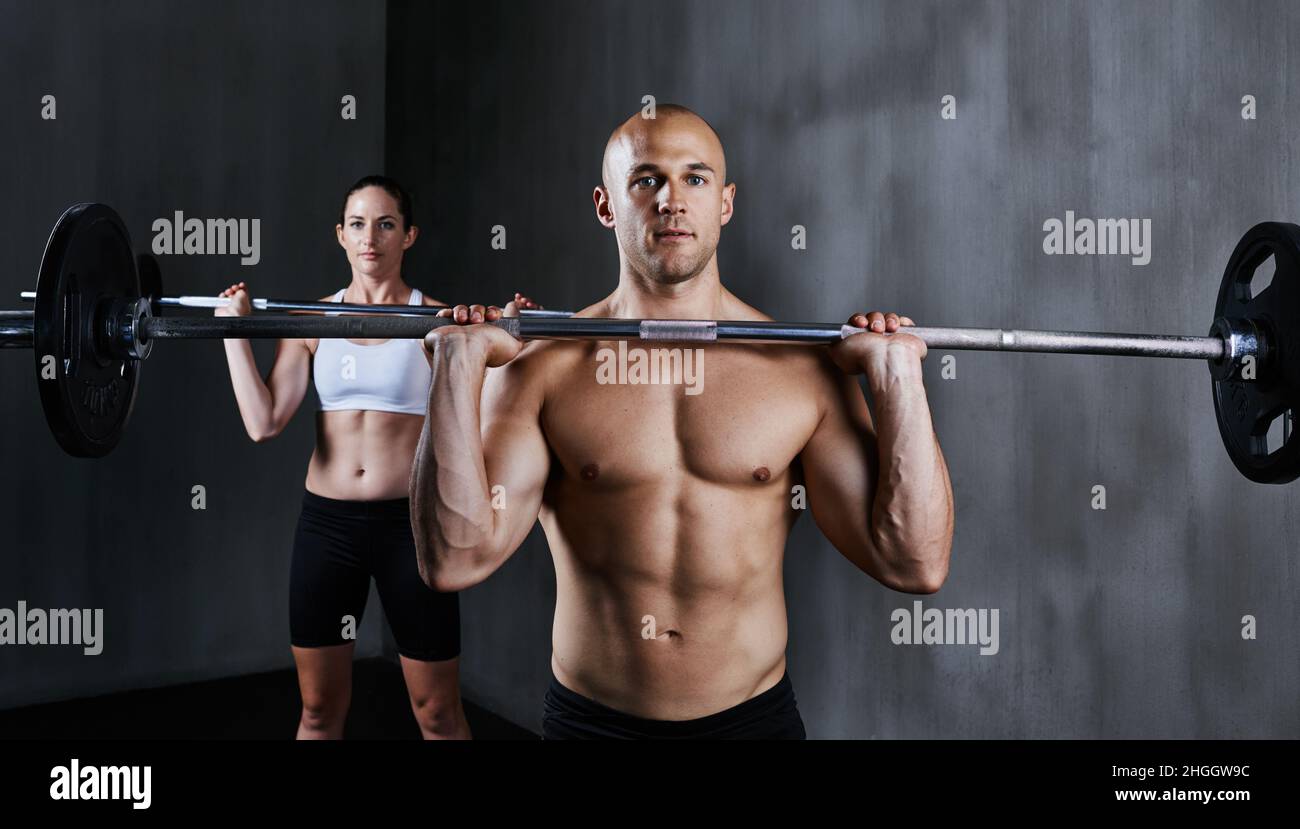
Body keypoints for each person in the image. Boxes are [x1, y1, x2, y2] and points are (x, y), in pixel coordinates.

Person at [412, 106, 954, 739]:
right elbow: (452, 560)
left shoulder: (799, 370)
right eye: (646, 180)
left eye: (695, 179)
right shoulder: (543, 368)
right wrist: (456, 368)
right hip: (593, 725)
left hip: (751, 722)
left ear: (724, 203)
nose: (672, 200)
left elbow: (914, 565)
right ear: (605, 205)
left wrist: (899, 382)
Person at [217, 175, 538, 739]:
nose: (372, 237)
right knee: (317, 710)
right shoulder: (308, 322)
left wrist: (511, 342)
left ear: (408, 235)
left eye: (387, 224)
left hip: (411, 530)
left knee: (436, 711)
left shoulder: (441, 322)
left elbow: (497, 409)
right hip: (327, 527)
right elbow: (262, 422)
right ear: (341, 235)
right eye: (359, 224)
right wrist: (233, 333)